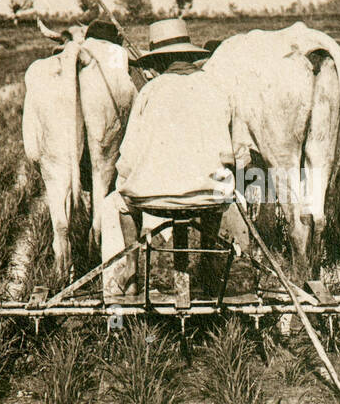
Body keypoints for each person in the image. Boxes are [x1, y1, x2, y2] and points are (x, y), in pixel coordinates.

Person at [101, 19, 249, 299]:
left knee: (121, 202)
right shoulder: (216, 88)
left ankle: (132, 272)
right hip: (208, 199)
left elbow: (127, 160)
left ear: (160, 60)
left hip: (152, 200)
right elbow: (237, 155)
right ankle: (208, 263)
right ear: (190, 56)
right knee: (219, 190)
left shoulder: (149, 91)